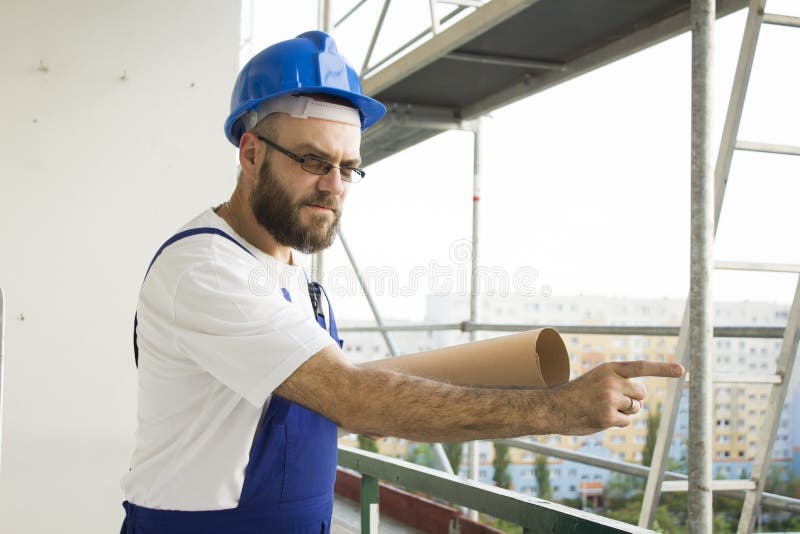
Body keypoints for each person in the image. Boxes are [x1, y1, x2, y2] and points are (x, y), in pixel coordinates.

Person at [120, 31, 684, 533]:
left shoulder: (298, 280)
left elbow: (315, 411)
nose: (334, 186)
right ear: (250, 154)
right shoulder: (205, 269)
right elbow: (351, 401)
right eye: (314, 161)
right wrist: (558, 409)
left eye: (348, 168)